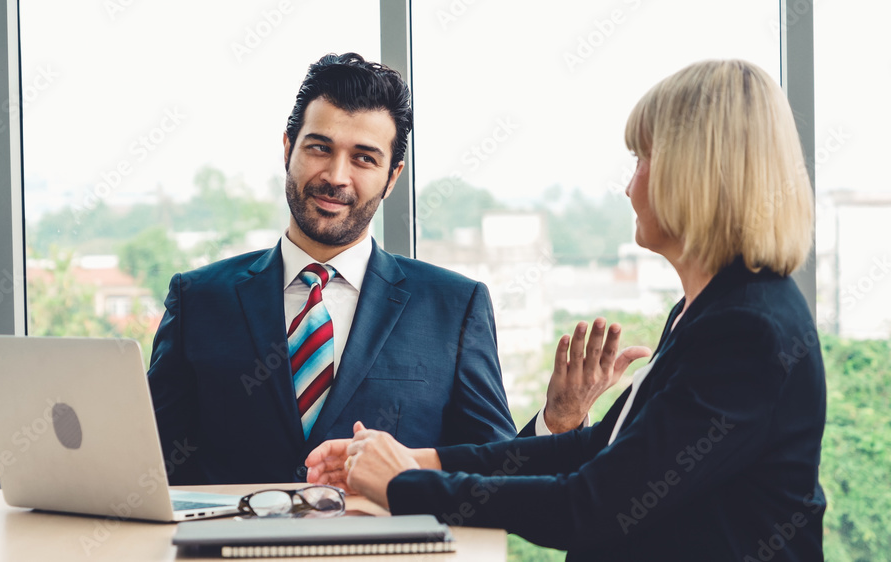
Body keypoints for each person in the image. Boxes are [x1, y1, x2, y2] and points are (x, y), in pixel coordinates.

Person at [306, 59, 826, 561]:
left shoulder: (746, 330)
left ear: (693, 175)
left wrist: (407, 485)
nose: (629, 186)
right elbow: (596, 447)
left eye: (642, 160)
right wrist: (425, 459)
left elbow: (588, 505)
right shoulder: (708, 312)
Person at [147, 53, 602, 486]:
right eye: (319, 148)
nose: (336, 176)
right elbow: (152, 468)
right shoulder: (198, 300)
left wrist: (557, 423)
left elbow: (490, 476)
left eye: (364, 158)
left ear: (393, 176)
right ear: (288, 149)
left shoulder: (453, 307)